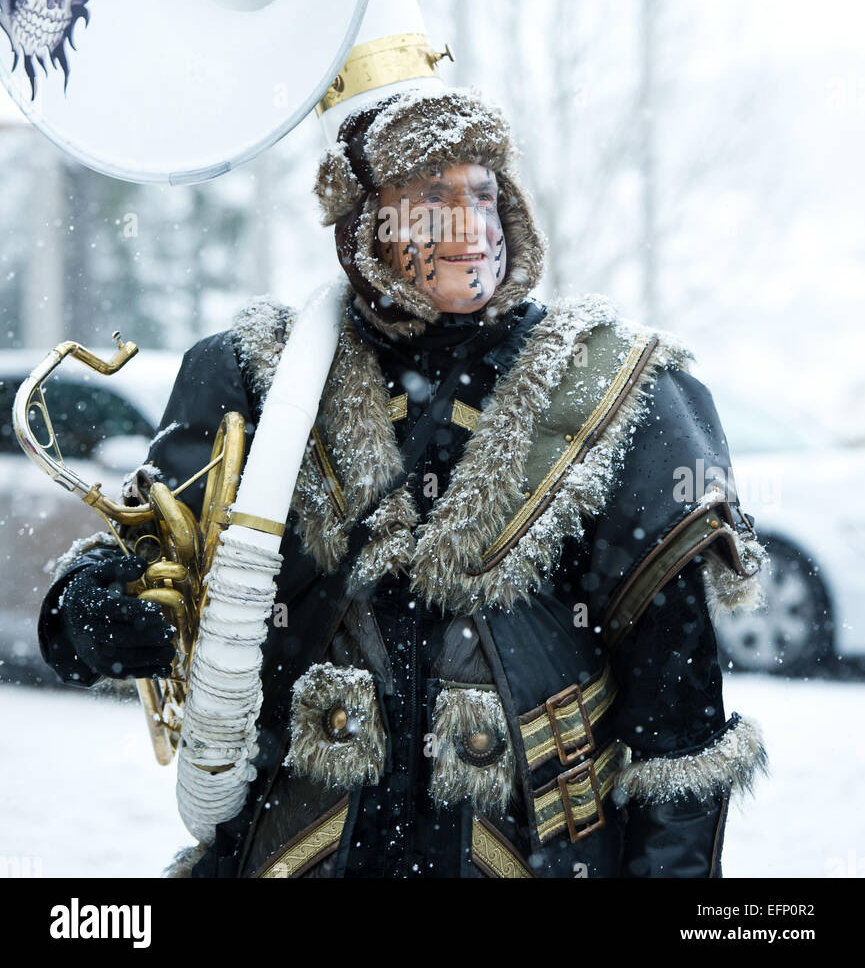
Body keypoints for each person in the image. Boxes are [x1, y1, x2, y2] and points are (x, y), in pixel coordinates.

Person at [38, 86, 768, 879]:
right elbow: (135, 566)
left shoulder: (622, 391)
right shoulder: (252, 375)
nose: (469, 228)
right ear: (364, 224)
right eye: (429, 199)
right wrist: (89, 611)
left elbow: (677, 720)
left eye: (483, 195)